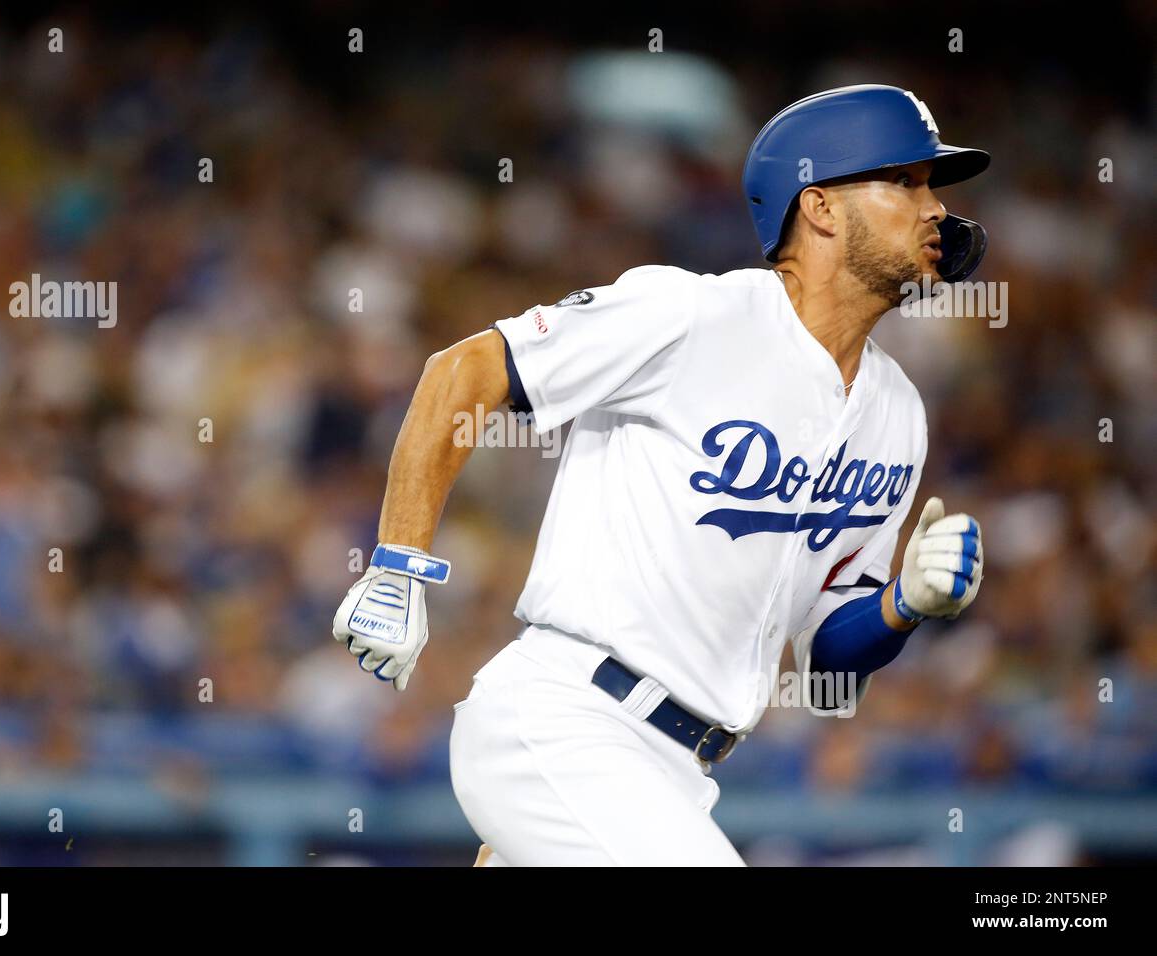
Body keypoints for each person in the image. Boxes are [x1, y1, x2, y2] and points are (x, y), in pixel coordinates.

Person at [332, 85, 988, 865]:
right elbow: (462, 371)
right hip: (569, 717)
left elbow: (825, 664)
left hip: (682, 771)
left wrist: (903, 605)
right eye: (905, 181)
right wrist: (399, 563)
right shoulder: (692, 316)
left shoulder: (899, 414)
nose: (933, 210)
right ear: (819, 207)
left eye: (933, 187)